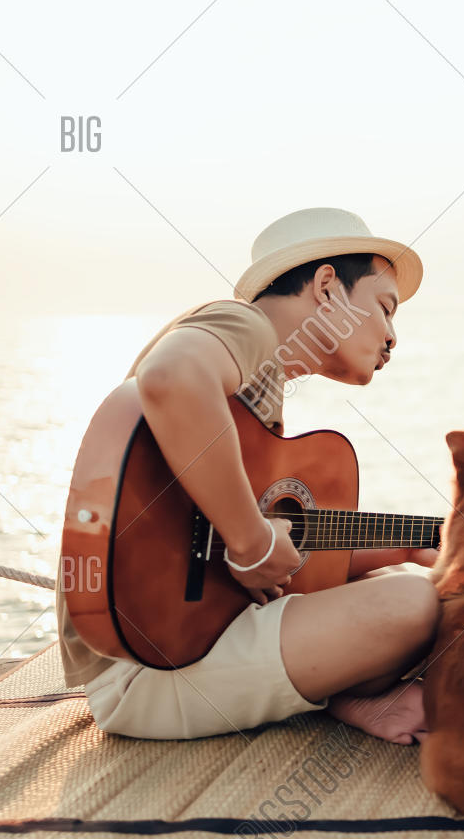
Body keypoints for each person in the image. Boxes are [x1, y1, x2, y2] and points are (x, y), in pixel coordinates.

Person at [55, 208, 439, 743]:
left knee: (409, 581)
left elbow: (271, 558)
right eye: (385, 307)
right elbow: (171, 375)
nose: (392, 336)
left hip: (187, 643)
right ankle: (350, 694)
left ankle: (345, 694)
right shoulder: (246, 325)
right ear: (327, 286)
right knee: (419, 604)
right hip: (151, 665)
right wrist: (252, 540)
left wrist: (414, 544)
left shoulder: (257, 392)